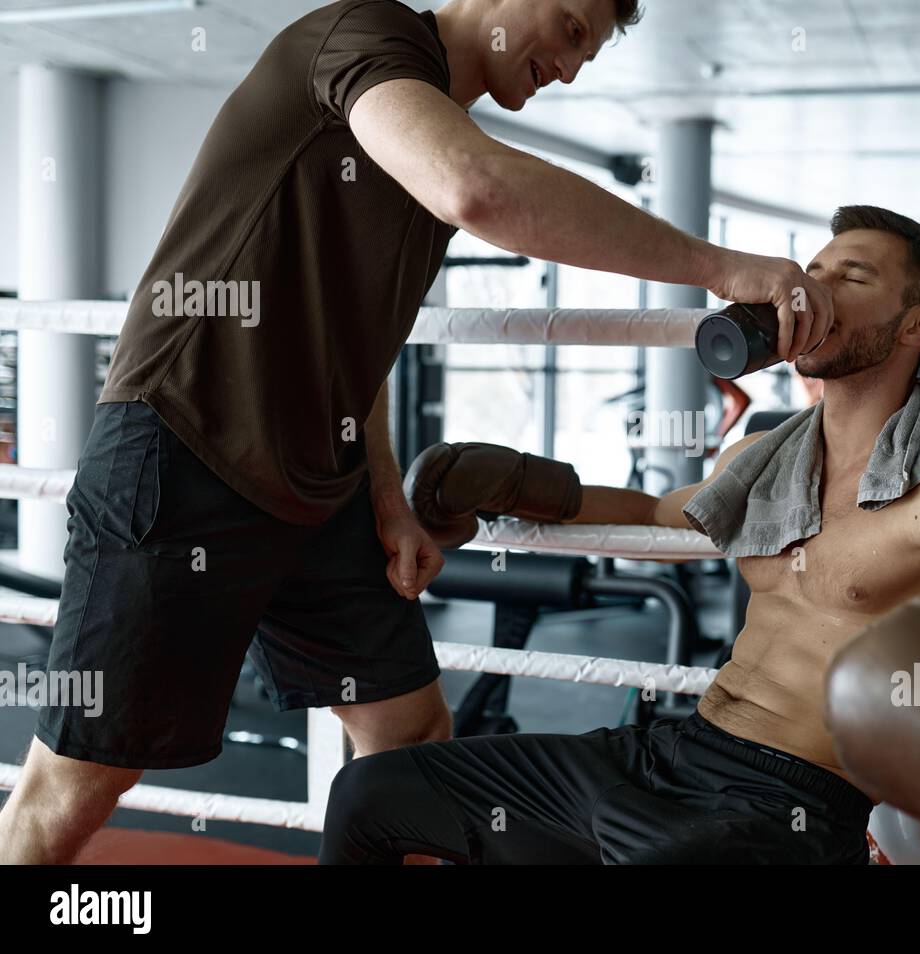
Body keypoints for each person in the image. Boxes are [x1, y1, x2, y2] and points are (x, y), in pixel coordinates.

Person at [0, 0, 834, 864]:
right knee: (77, 783)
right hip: (185, 450)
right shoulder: (368, 35)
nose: (575, 66)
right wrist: (720, 267)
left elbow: (363, 344)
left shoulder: (429, 130)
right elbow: (475, 186)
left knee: (406, 735)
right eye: (572, 28)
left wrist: (387, 495)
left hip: (320, 485)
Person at [317, 205, 920, 864]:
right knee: (373, 794)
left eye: (852, 278)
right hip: (671, 753)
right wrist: (520, 484)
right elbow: (658, 514)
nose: (815, 293)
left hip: (782, 813)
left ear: (918, 327)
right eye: (814, 271)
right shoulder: (769, 456)